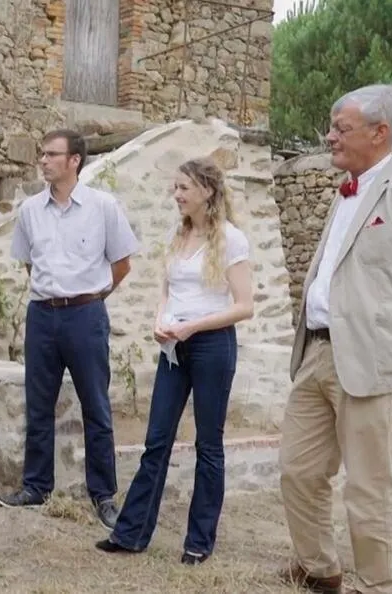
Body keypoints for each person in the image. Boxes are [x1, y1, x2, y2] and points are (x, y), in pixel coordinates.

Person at [276, 84, 392, 594]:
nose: (329, 136)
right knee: (297, 470)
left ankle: (377, 585)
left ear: (381, 133)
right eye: (332, 127)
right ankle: (319, 569)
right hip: (316, 354)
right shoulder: (347, 190)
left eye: (342, 128)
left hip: (374, 364)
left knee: (369, 487)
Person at [95, 158, 254, 563]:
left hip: (212, 346)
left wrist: (192, 327)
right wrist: (159, 320)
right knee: (156, 440)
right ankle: (130, 534)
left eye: (184, 187)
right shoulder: (177, 234)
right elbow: (167, 290)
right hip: (173, 348)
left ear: (207, 191)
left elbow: (244, 306)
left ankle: (198, 542)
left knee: (208, 444)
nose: (176, 194)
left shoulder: (231, 239)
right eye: (176, 187)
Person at [0, 128, 140, 529]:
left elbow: (122, 264)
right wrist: (53, 296)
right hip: (42, 315)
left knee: (96, 406)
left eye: (51, 154)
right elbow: (29, 263)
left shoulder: (103, 207)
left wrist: (92, 299)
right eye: (42, 154)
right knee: (38, 403)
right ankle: (36, 486)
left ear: (74, 160)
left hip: (85, 315)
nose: (43, 160)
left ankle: (103, 495)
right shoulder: (30, 211)